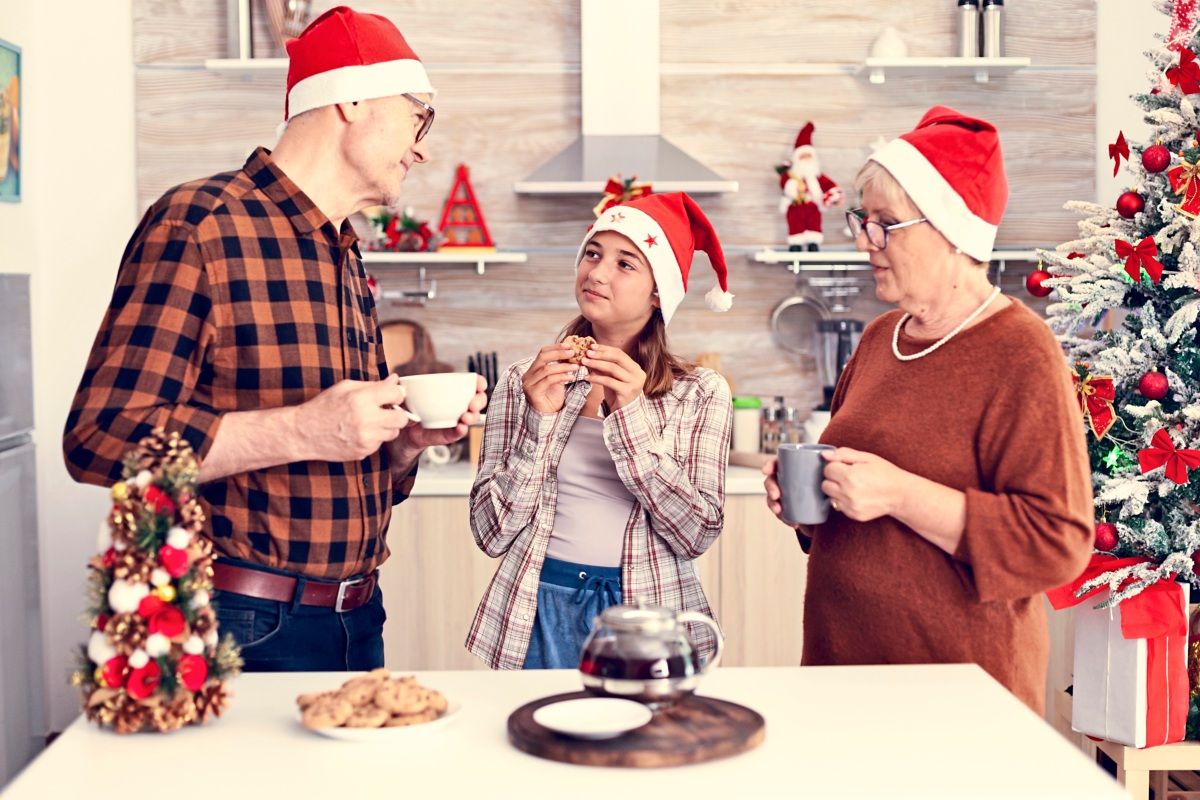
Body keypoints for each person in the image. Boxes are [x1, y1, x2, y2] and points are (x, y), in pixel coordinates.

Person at [63, 6, 486, 671]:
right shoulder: (199, 224)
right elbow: (101, 438)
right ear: (352, 97)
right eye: (418, 116)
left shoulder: (344, 251)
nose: (424, 144)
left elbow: (342, 462)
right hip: (244, 624)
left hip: (357, 618)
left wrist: (402, 448)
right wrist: (301, 431)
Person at [762, 106, 1093, 714]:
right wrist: (809, 511)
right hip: (842, 678)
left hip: (959, 698)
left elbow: (1058, 542)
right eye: (863, 219)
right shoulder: (879, 337)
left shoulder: (1020, 351)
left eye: (885, 223)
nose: (864, 239)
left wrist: (899, 494)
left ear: (949, 231)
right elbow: (868, 528)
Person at [467, 193, 735, 669]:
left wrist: (630, 414)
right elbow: (492, 534)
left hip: (647, 615)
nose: (597, 272)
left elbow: (696, 533)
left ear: (659, 295)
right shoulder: (524, 380)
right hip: (536, 608)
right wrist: (541, 421)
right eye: (593, 254)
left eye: (625, 263)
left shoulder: (701, 393)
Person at [778, 121, 844, 251]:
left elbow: (830, 185)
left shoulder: (818, 176)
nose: (807, 159)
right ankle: (795, 244)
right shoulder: (792, 176)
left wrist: (834, 195)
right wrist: (793, 186)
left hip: (813, 206)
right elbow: (783, 183)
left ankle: (813, 244)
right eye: (803, 156)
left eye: (809, 156)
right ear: (797, 159)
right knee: (795, 224)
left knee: (813, 224)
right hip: (796, 205)